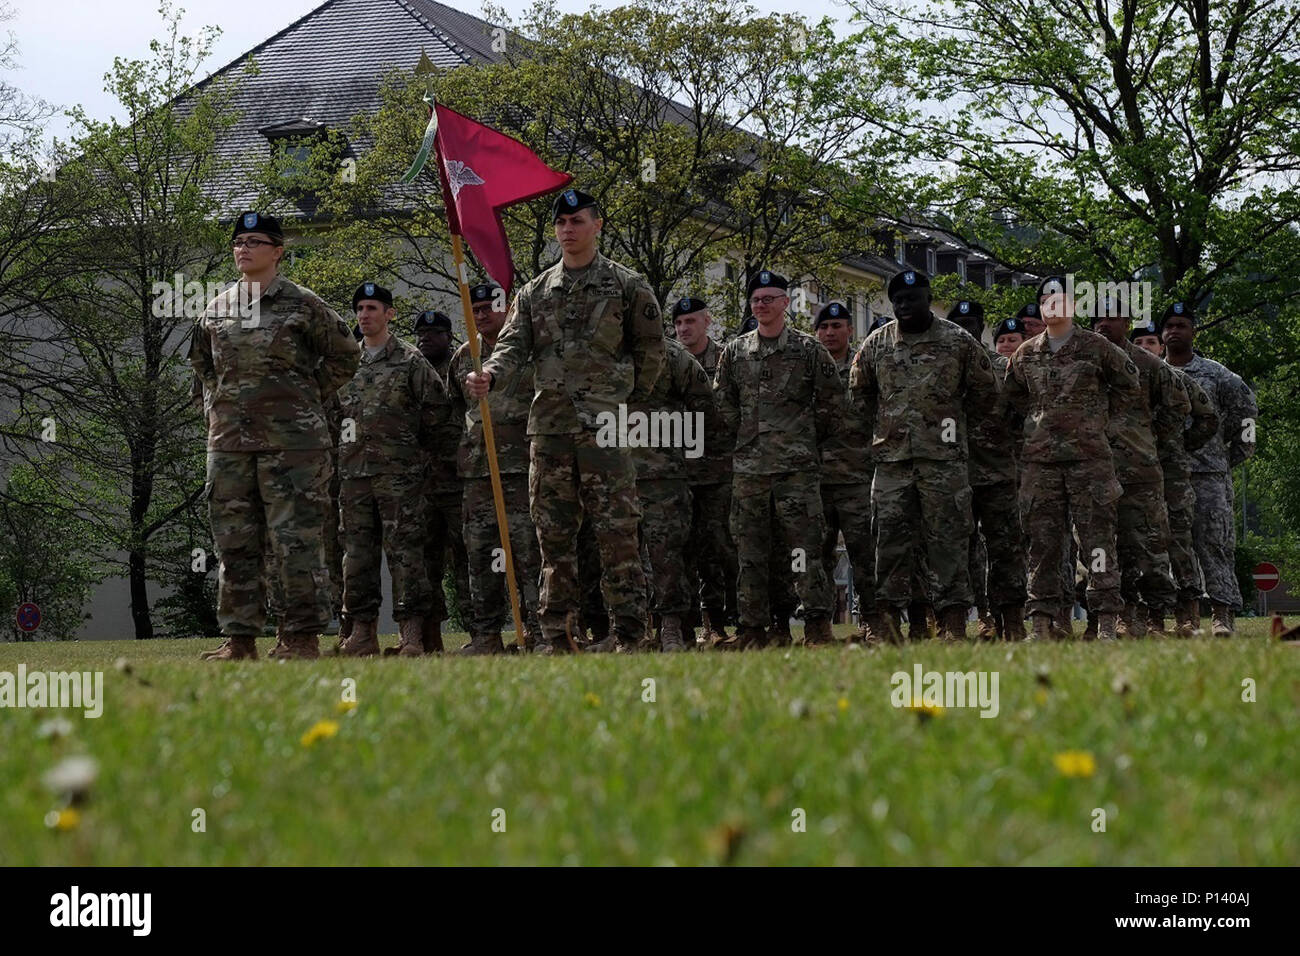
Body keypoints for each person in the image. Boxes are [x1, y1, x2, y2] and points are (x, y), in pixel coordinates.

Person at [464, 188, 666, 653]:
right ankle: (557, 635)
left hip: (606, 429)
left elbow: (651, 350)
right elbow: (513, 344)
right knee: (552, 536)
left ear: (597, 226)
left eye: (577, 221)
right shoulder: (536, 291)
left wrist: (625, 402)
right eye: (562, 223)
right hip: (550, 429)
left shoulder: (627, 285)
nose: (568, 230)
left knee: (617, 532)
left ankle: (630, 634)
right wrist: (490, 374)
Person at [191, 211, 360, 660]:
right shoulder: (216, 308)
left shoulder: (304, 304)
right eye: (239, 241)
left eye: (255, 241)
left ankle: (300, 637)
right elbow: (203, 367)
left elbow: (346, 356)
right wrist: (222, 410)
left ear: (278, 251)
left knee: (296, 543)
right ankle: (240, 639)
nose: (243, 248)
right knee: (234, 543)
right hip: (229, 445)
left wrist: (305, 397)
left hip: (295, 446)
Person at [851, 272, 998, 642]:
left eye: (912, 298)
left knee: (948, 541)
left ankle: (952, 622)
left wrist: (954, 428)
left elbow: (985, 393)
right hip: (892, 463)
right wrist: (883, 429)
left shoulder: (958, 341)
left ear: (928, 298)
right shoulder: (876, 344)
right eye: (898, 300)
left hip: (943, 462)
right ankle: (887, 624)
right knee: (889, 542)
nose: (904, 306)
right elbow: (859, 395)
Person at [1000, 276, 1139, 641]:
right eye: (1045, 299)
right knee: (1042, 543)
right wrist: (1037, 425)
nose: (1052, 304)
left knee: (1097, 542)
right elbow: (1012, 395)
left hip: (1089, 461)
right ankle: (1043, 621)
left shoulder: (1096, 347)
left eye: (1059, 298)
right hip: (1040, 462)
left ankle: (1106, 619)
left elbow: (1129, 383)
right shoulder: (1026, 353)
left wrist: (1101, 422)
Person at [714, 269, 843, 649]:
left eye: (769, 299)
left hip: (796, 472)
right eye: (756, 300)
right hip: (750, 472)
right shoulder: (735, 353)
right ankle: (754, 629)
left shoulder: (807, 350)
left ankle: (817, 626)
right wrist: (747, 439)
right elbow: (723, 405)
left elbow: (833, 404)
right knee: (751, 554)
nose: (761, 305)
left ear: (786, 303)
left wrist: (802, 441)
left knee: (804, 551)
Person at [335, 283, 451, 656]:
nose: (365, 315)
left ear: (389, 314)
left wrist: (414, 453)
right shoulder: (346, 362)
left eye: (372, 308)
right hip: (355, 477)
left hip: (400, 477)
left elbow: (437, 412)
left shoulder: (410, 360)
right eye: (360, 309)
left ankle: (411, 635)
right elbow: (332, 414)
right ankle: (362, 632)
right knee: (357, 555)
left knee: (406, 555)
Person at [446, 282, 543, 654]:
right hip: (477, 474)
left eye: (490, 307)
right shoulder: (464, 358)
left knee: (528, 553)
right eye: (477, 308)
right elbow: (455, 411)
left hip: (521, 469)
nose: (482, 314)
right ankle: (486, 635)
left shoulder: (526, 356)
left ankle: (537, 630)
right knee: (483, 556)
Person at [1091, 296, 1190, 636]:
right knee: (1102, 548)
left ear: (1127, 323)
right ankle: (1117, 615)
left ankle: (1155, 617)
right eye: (1098, 318)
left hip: (1140, 472)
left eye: (1113, 318)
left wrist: (1149, 436)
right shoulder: (1083, 361)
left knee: (1147, 546)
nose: (1104, 324)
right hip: (1094, 471)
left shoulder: (1147, 364)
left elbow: (1178, 404)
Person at [1161, 301, 1258, 635]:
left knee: (1214, 544)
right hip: (1166, 476)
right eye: (1169, 326)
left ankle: (1222, 614)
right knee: (1173, 547)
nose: (1174, 330)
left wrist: (1232, 456)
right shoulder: (1152, 372)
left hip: (1209, 477)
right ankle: (1185, 615)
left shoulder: (1218, 375)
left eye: (1181, 325)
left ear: (1193, 331)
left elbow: (1246, 412)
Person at [1130, 318, 1219, 634]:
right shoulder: (1122, 379)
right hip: (1134, 476)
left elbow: (1208, 418)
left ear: (1161, 346)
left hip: (1172, 475)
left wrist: (1180, 444)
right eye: (1138, 344)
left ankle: (1187, 612)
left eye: (1150, 343)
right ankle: (1149, 615)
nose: (1144, 349)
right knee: (1140, 544)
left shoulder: (1175, 378)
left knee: (1179, 541)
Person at [946, 300, 1027, 640]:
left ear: (982, 326)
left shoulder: (1002, 367)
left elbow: (1022, 414)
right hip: (953, 474)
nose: (967, 327)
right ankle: (978, 617)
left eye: (972, 321)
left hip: (998, 472)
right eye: (959, 322)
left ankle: (1011, 618)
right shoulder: (941, 368)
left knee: (1006, 549)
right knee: (961, 552)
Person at [631, 335, 717, 650]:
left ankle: (671, 627)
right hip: (614, 474)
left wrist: (681, 445)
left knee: (667, 555)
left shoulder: (672, 356)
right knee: (619, 556)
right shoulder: (603, 352)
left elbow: (704, 402)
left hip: (663, 474)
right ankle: (627, 630)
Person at [673, 296, 739, 644]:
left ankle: (725, 623)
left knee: (721, 548)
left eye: (691, 322)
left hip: (718, 471)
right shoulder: (668, 361)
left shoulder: (726, 359)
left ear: (707, 322)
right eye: (680, 323)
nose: (684, 329)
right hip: (678, 472)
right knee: (681, 552)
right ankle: (683, 629)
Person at [814, 301, 879, 642]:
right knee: (818, 557)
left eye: (837, 326)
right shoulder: (808, 367)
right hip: (818, 480)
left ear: (849, 330)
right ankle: (819, 623)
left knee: (865, 554)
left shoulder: (864, 365)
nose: (830, 333)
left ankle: (872, 619)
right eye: (824, 327)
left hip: (858, 476)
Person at [413, 309, 471, 650]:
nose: (426, 338)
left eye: (434, 333)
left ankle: (480, 632)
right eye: (421, 332)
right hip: (422, 483)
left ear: (448, 336)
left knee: (467, 560)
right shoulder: (411, 367)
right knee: (424, 562)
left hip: (459, 481)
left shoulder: (462, 364)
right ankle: (429, 636)